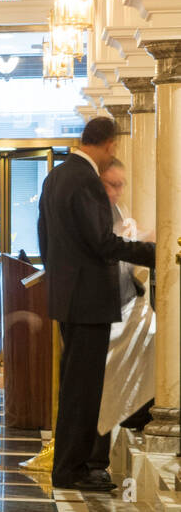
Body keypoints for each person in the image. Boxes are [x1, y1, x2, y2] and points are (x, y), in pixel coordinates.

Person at [37, 117, 155, 492]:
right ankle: (71, 470)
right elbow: (102, 242)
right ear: (107, 144)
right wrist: (152, 252)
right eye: (114, 147)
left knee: (75, 387)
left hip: (69, 297)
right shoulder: (85, 179)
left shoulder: (56, 176)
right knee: (84, 390)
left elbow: (44, 236)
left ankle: (70, 466)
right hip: (89, 300)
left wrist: (60, 278)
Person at [97, 158, 155, 438]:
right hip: (111, 302)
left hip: (128, 297)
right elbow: (112, 248)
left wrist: (143, 236)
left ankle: (137, 410)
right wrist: (140, 243)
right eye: (112, 184)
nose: (117, 191)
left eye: (121, 185)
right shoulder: (97, 211)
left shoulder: (119, 209)